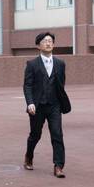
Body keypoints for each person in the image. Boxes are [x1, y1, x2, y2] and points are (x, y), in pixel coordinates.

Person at [23, 31, 71, 177]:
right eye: (45, 41)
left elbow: (61, 83)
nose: (48, 43)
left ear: (54, 44)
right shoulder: (32, 64)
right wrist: (30, 103)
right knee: (35, 135)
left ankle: (58, 166)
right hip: (37, 106)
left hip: (54, 105)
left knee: (57, 134)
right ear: (38, 46)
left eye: (50, 41)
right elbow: (27, 85)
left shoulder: (60, 64)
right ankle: (29, 156)